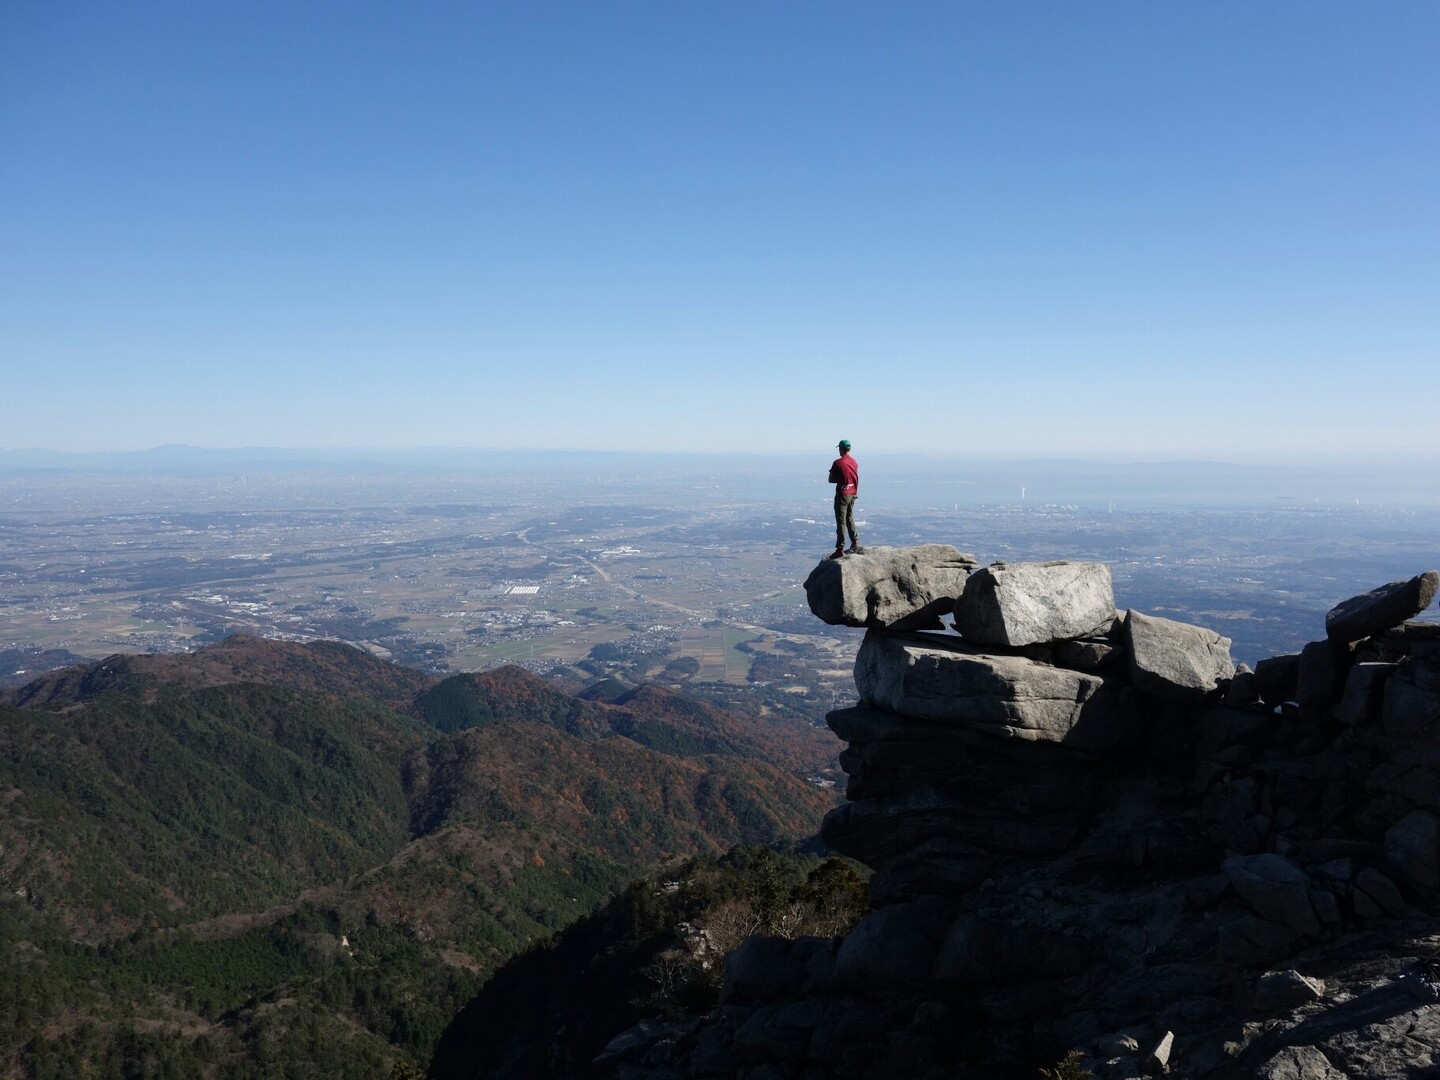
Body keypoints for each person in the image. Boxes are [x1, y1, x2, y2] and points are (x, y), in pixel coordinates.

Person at [827, 439, 862, 559]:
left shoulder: (838, 463)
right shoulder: (854, 462)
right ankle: (855, 542)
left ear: (841, 449)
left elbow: (831, 479)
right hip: (853, 493)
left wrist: (840, 479)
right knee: (849, 517)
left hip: (842, 493)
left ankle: (840, 549)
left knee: (841, 521)